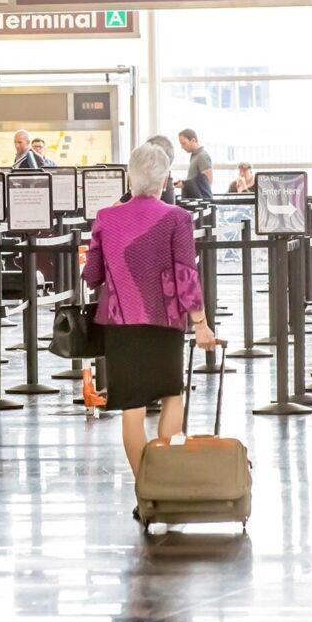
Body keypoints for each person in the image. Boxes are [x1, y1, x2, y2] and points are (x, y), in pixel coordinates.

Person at [82, 143, 217, 503]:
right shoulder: (177, 218)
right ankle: (167, 483)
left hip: (121, 323)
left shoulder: (106, 218)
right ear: (165, 179)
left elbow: (91, 276)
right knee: (173, 395)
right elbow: (186, 275)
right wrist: (200, 323)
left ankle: (146, 490)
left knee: (132, 407)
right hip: (165, 322)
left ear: (130, 176)